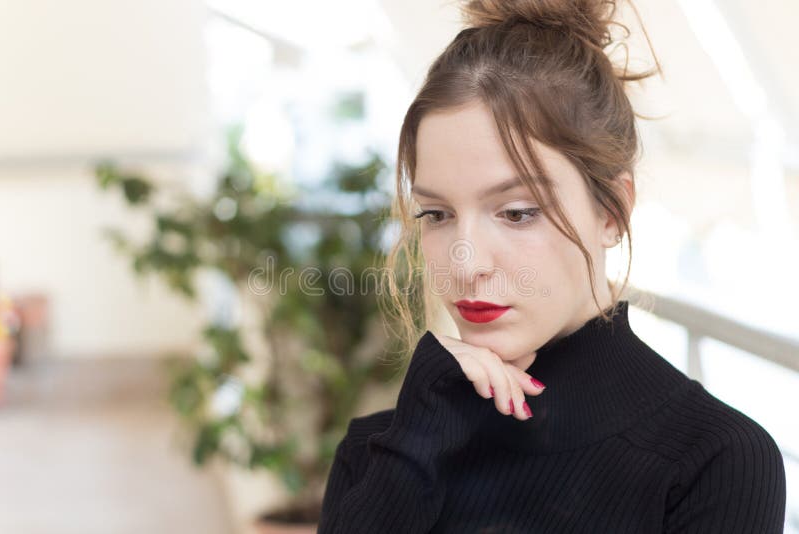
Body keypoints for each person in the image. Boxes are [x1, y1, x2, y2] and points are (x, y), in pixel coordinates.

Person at [317, 0, 787, 532]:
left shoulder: (713, 463)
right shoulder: (379, 456)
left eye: (517, 213)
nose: (466, 266)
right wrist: (412, 446)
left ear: (612, 211)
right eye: (437, 214)